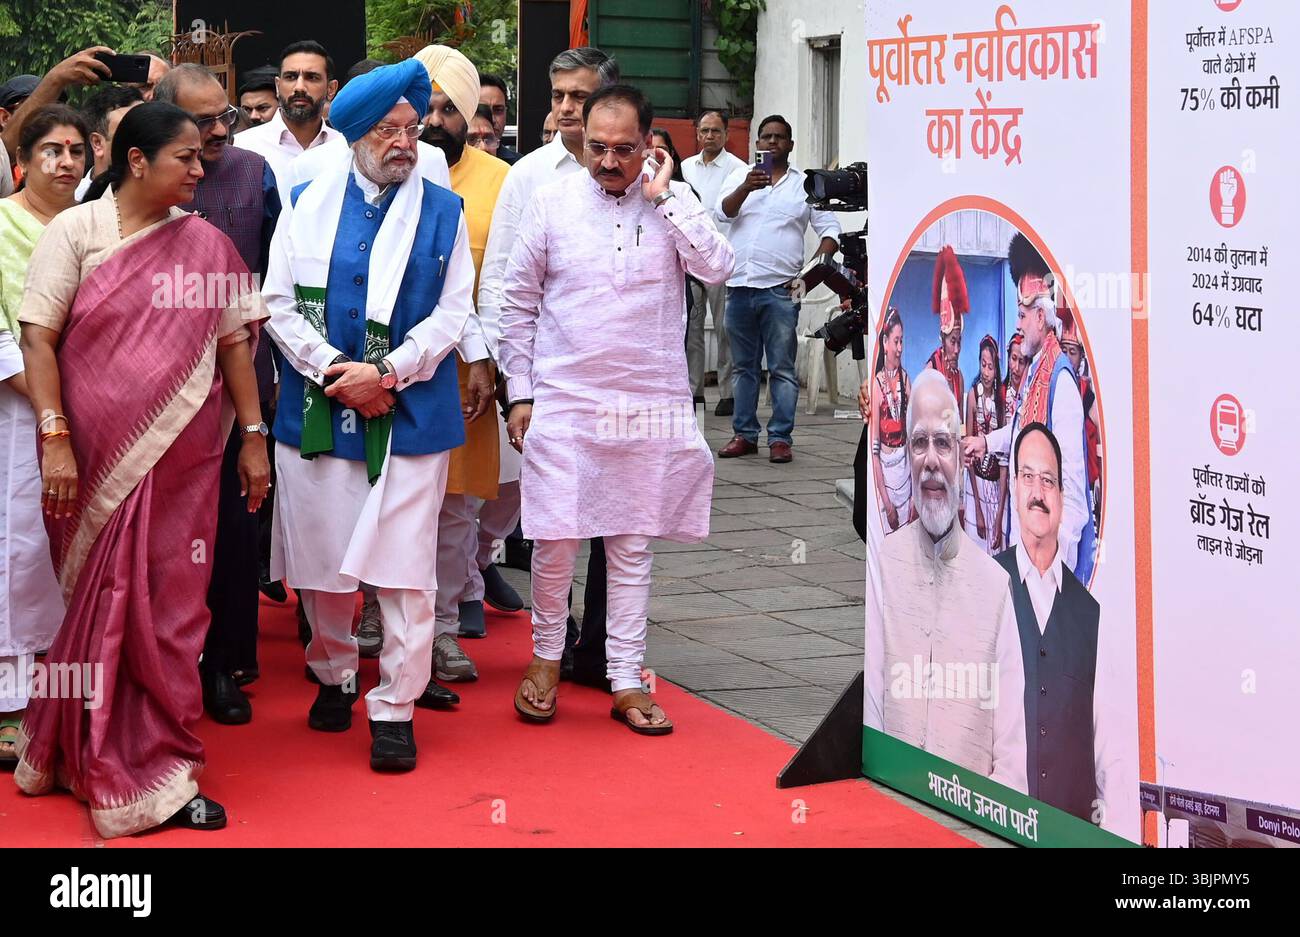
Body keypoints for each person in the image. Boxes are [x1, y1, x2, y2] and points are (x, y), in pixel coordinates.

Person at [13, 102, 269, 835]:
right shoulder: (77, 231)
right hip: (90, 460)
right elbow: (39, 337)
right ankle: (79, 749)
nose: (200, 168)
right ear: (135, 161)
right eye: (185, 157)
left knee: (169, 610)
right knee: (100, 604)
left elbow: (234, 346)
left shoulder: (210, 246)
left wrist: (253, 437)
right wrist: (55, 435)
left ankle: (156, 766)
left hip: (184, 464)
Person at [262, 59, 480, 772]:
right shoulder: (304, 196)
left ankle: (395, 706)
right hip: (319, 407)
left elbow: (453, 313)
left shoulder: (443, 210)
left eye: (411, 129)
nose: (404, 143)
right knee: (324, 566)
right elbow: (278, 304)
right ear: (353, 134)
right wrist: (338, 373)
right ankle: (333, 677)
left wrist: (387, 372)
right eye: (388, 130)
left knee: (407, 571)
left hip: (413, 415)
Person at [500, 83, 733, 734]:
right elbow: (515, 306)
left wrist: (669, 196)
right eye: (596, 147)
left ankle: (627, 677)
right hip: (565, 396)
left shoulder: (670, 202)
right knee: (554, 537)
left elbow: (719, 268)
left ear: (649, 145)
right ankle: (547, 658)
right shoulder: (551, 203)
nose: (607, 160)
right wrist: (518, 393)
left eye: (623, 149)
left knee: (631, 543)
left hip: (646, 400)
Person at [478, 46, 620, 687]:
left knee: (620, 525)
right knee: (555, 520)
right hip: (552, 384)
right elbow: (503, 287)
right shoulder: (529, 175)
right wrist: (512, 382)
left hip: (623, 385)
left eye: (578, 96)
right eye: (557, 94)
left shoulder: (648, 175)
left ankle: (606, 652)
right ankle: (551, 647)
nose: (564, 107)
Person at [155, 64, 283, 725]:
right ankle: (157, 665)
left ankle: (226, 665)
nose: (216, 133)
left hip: (239, 386)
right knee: (167, 537)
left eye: (223, 117)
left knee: (235, 529)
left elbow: (277, 272)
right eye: (200, 121)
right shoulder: (138, 176)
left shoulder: (254, 174)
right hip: (154, 391)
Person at [864, 370, 1026, 790]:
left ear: (960, 454)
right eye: (919, 443)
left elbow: (1012, 751)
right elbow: (872, 714)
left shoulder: (995, 587)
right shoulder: (886, 565)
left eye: (943, 443)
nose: (931, 461)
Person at [413, 43, 509, 696]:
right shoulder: (391, 167)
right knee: (390, 504)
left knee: (453, 512)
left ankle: (444, 628)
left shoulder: (501, 182)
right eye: (428, 105)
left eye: (450, 108)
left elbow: (501, 287)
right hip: (388, 372)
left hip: (464, 375)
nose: (436, 118)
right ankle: (382, 620)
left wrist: (493, 366)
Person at [0, 106, 88, 769]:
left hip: (94, 412)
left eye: (77, 150)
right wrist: (53, 403)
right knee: (20, 543)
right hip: (16, 413)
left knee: (75, 545)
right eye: (52, 150)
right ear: (23, 161)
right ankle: (10, 699)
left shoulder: (97, 229)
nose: (65, 161)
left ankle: (65, 691)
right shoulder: (1, 227)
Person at [994, 423, 1130, 835]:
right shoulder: (984, 590)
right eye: (1028, 477)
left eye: (1048, 481)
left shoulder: (1092, 615)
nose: (1038, 492)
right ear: (1014, 488)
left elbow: (1111, 755)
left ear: (1062, 496)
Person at [962, 233, 1095, 581]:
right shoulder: (1037, 369)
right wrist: (986, 443)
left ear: (1040, 316)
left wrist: (1052, 572)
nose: (1018, 325)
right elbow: (1021, 433)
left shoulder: (1060, 380)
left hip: (1048, 567)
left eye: (1022, 316)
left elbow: (1074, 492)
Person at [715, 114, 840, 464]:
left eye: (779, 137)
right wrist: (746, 188)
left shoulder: (804, 185)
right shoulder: (739, 176)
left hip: (781, 290)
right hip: (739, 285)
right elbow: (722, 214)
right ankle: (744, 435)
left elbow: (829, 229)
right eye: (765, 137)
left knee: (783, 369)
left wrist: (810, 274)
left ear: (790, 145)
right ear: (756, 143)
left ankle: (780, 438)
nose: (771, 143)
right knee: (744, 368)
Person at [681, 109, 746, 417]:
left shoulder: (738, 169)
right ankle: (694, 392)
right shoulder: (684, 168)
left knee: (725, 330)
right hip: (690, 259)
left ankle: (728, 392)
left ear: (726, 135)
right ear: (697, 134)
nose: (709, 136)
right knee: (691, 329)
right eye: (704, 130)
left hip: (721, 259)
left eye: (715, 131)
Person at [234, 41, 342, 194]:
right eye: (291, 77)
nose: (299, 87)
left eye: (312, 78)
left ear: (331, 89)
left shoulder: (346, 150)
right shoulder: (242, 147)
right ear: (278, 86)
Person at [870, 307, 912, 535]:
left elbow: (915, 439)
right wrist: (886, 502)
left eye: (902, 341)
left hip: (906, 476)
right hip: (886, 477)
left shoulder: (906, 381)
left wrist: (915, 493)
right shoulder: (876, 385)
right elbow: (874, 451)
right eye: (896, 341)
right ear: (885, 343)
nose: (899, 348)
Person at [965, 334, 1007, 554]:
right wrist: (978, 510)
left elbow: (1003, 461)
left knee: (997, 554)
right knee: (975, 553)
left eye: (991, 366)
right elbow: (969, 452)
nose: (986, 372)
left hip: (996, 488)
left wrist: (999, 516)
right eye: (983, 364)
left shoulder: (1002, 398)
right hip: (975, 487)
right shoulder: (973, 396)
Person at [77, 85, 143, 199]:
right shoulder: (68, 204)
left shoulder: (170, 202)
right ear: (97, 143)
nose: (146, 141)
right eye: (131, 133)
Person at [927, 245, 968, 424]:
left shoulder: (959, 377)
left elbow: (959, 424)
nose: (957, 349)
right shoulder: (930, 372)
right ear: (942, 339)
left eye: (960, 341)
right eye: (953, 341)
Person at [479, 73, 521, 164]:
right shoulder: (449, 163)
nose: (492, 119)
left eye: (498, 110)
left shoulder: (521, 166)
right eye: (483, 110)